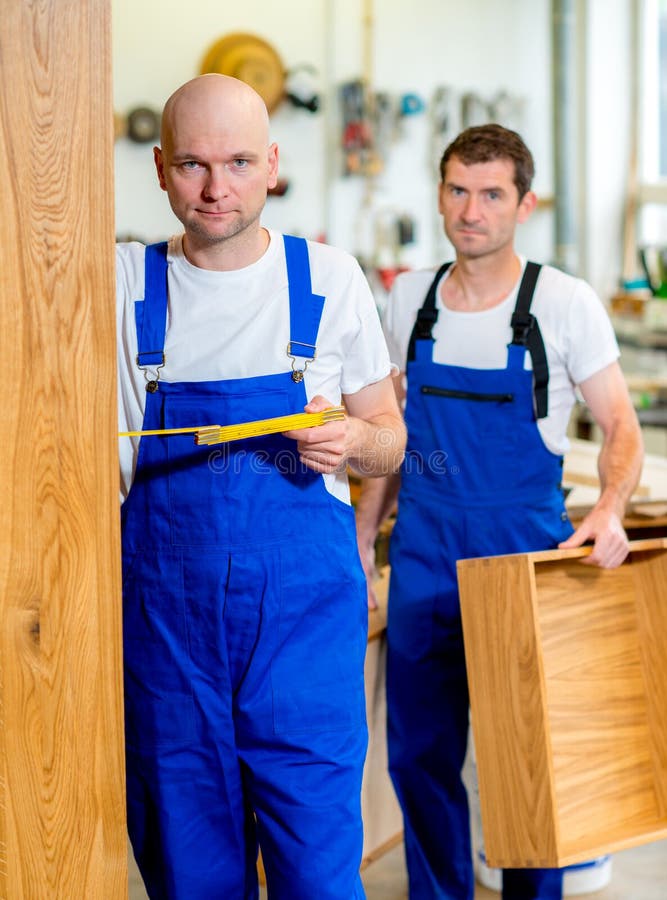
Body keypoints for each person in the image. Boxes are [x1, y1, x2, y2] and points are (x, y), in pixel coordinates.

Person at [116, 73, 406, 900]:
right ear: (161, 167)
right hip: (167, 635)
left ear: (272, 164)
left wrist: (354, 440)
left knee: (318, 874)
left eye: (240, 163)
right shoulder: (121, 285)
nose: (217, 189)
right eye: (193, 165)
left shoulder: (329, 279)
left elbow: (390, 441)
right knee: (191, 872)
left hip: (302, 634)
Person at [355, 123, 643, 900]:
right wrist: (360, 543)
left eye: (490, 194)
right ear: (439, 194)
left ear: (524, 204)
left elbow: (620, 425)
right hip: (422, 559)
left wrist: (609, 508)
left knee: (525, 759)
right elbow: (389, 435)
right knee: (418, 754)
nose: (470, 210)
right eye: (457, 190)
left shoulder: (562, 303)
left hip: (522, 559)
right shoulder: (409, 298)